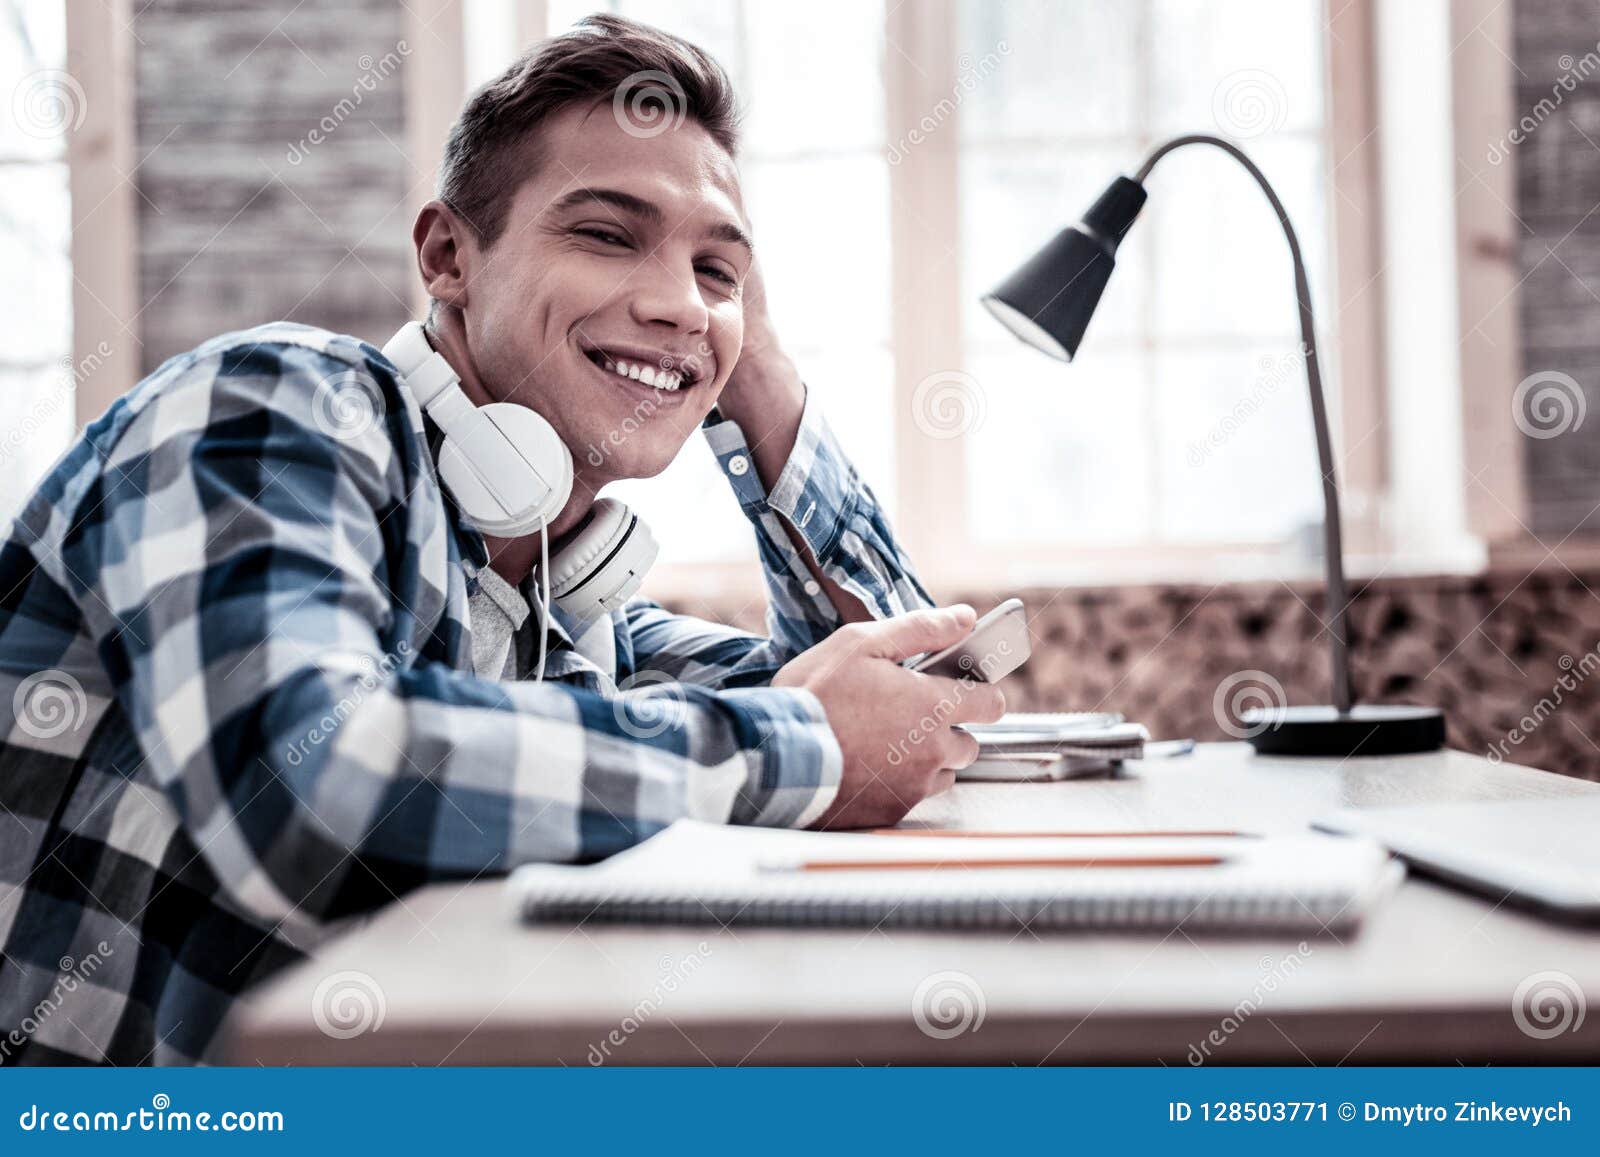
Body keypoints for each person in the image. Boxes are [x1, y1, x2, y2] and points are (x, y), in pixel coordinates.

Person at [0, 14, 1002, 1066]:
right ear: (446, 256)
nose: (674, 299)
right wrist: (798, 746)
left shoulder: (570, 621)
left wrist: (759, 374)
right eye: (608, 235)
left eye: (717, 271)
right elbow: (305, 784)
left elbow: (908, 697)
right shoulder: (270, 404)